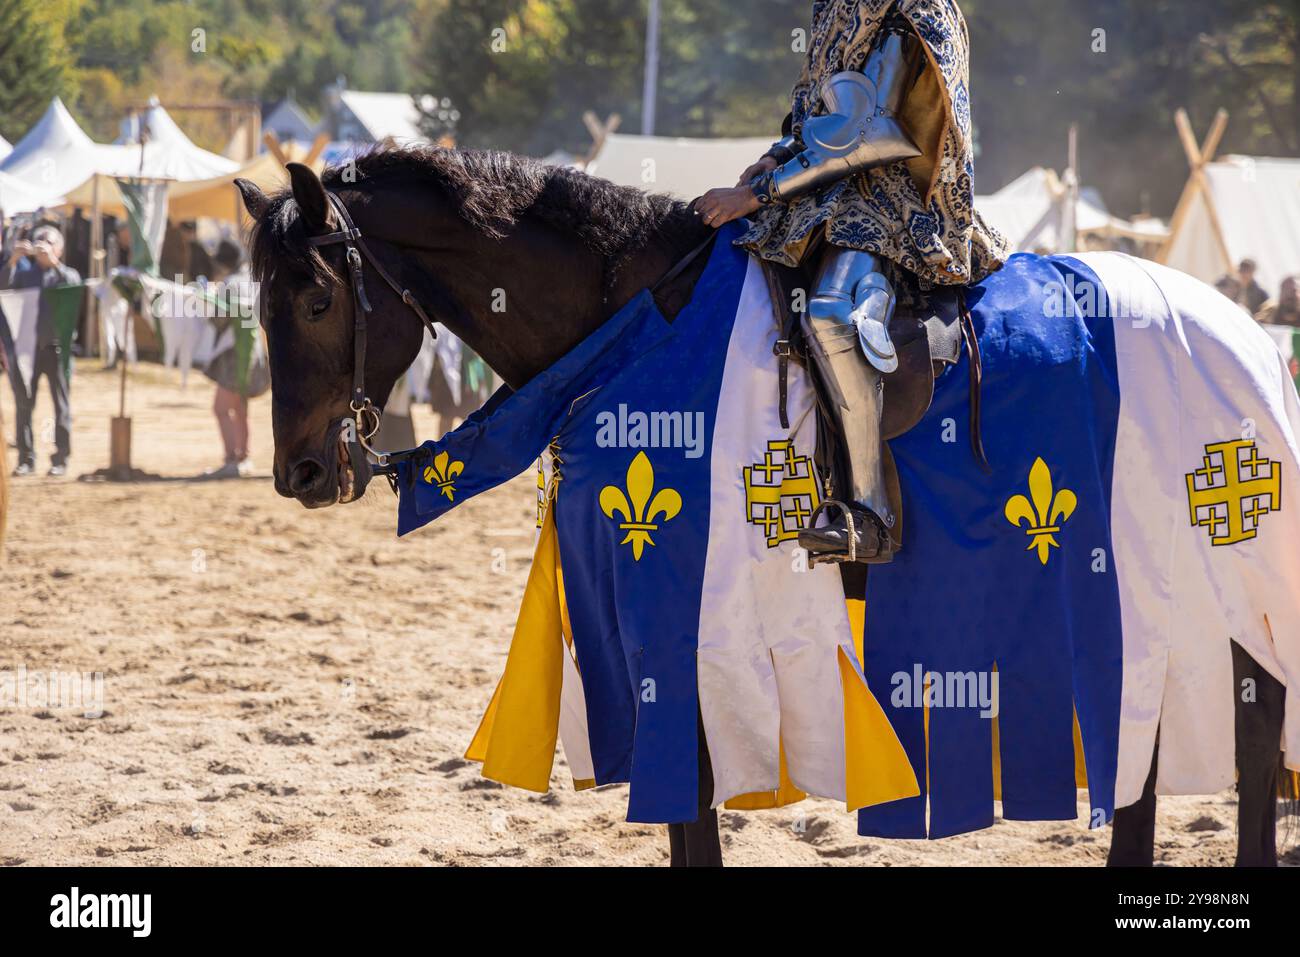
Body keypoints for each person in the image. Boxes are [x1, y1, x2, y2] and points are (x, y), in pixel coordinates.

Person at [696, 0, 1007, 563]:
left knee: (830, 314)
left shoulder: (910, 13)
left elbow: (865, 132)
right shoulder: (838, 9)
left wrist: (756, 195)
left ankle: (869, 514)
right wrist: (776, 157)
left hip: (891, 201)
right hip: (826, 190)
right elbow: (816, 112)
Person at [1, 224, 81, 477]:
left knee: (61, 406)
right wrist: (13, 260)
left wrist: (54, 263)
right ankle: (26, 458)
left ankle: (61, 458)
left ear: (59, 248)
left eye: (49, 243)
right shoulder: (26, 274)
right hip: (29, 350)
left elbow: (74, 288)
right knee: (24, 405)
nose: (43, 248)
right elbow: (3, 288)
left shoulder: (64, 275)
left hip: (57, 350)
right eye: (40, 243)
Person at [201, 240, 269, 478]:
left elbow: (218, 320)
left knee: (221, 409)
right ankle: (243, 456)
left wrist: (207, 299)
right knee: (240, 408)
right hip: (255, 351)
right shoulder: (252, 281)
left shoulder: (228, 284)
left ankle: (232, 458)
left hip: (233, 352)